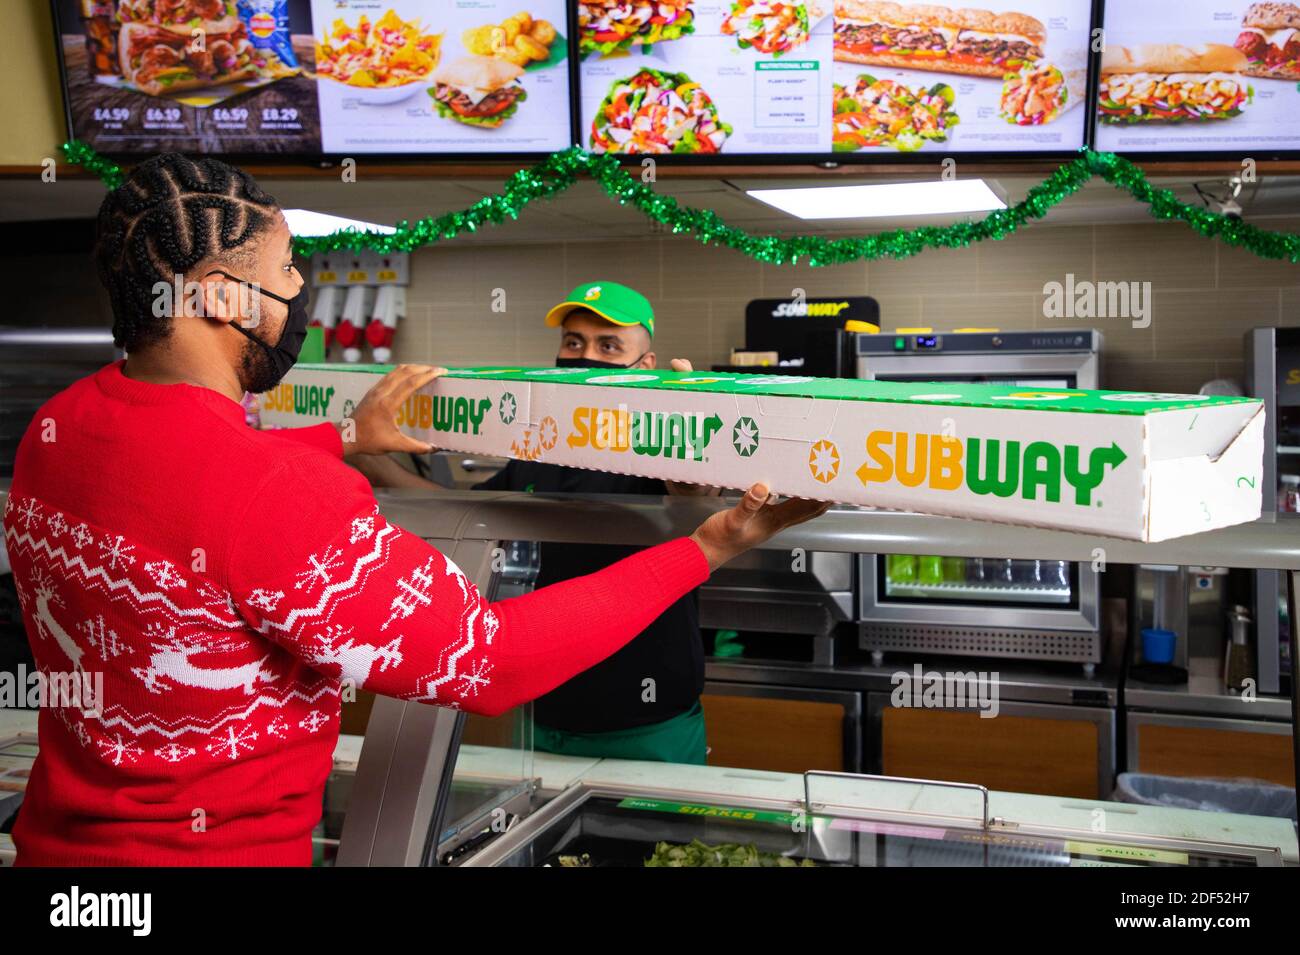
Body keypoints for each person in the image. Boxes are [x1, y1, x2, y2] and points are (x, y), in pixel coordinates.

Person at [1, 154, 827, 866]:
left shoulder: (58, 427)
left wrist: (347, 434)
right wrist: (716, 542)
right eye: (289, 270)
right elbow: (494, 663)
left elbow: (183, 486)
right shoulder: (277, 493)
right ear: (223, 299)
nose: (299, 292)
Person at [353, 281, 717, 765]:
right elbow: (467, 513)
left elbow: (692, 494)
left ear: (645, 366)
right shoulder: (541, 447)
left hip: (649, 720)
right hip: (544, 713)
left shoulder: (655, 447)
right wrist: (371, 456)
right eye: (574, 343)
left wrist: (687, 447)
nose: (585, 356)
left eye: (608, 346)